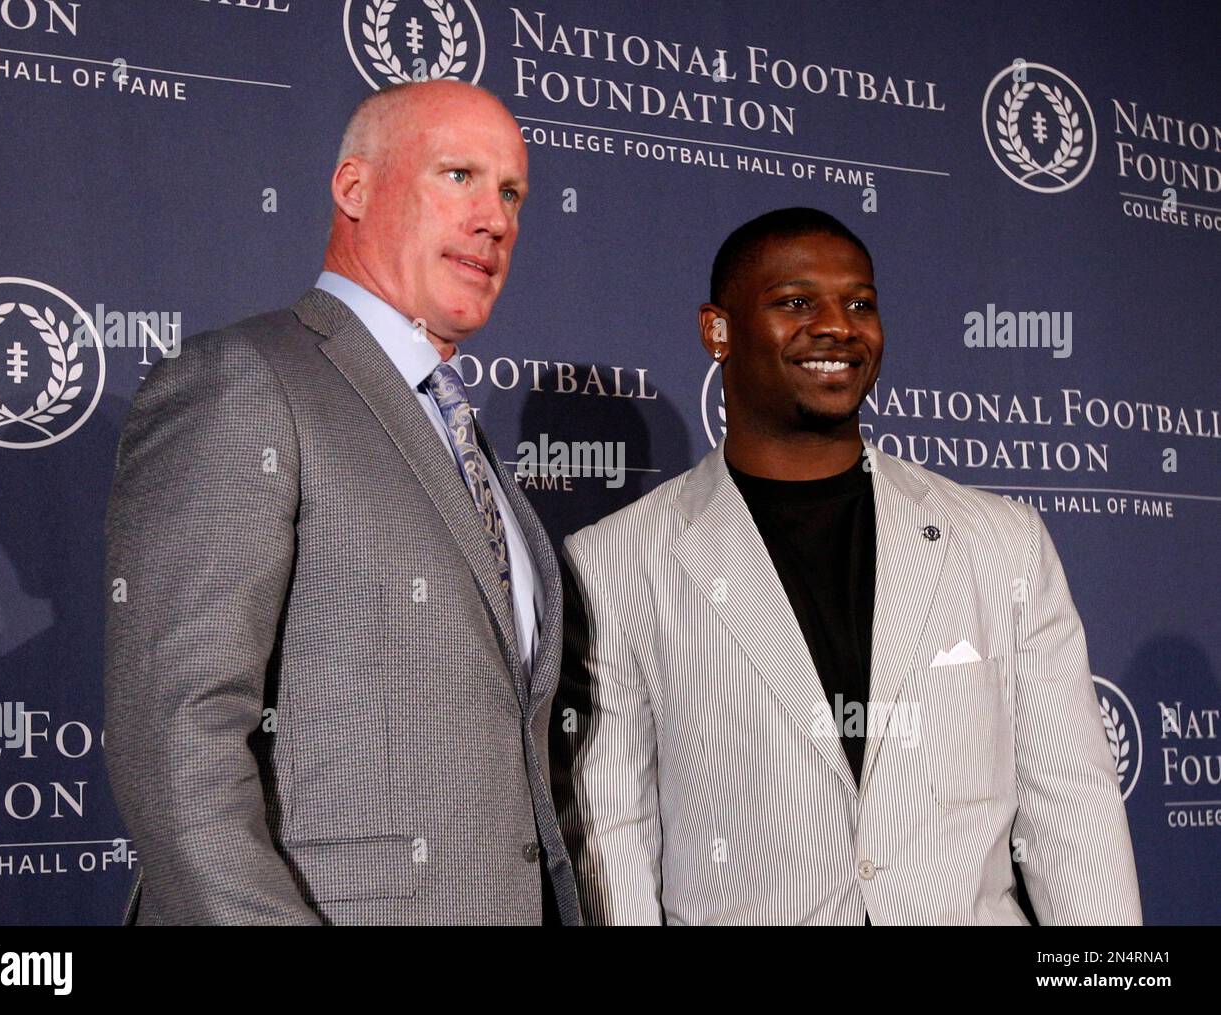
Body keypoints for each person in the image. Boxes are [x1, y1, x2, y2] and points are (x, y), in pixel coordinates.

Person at [552, 207, 1141, 925]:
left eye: (859, 302)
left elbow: (1071, 798)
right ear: (719, 330)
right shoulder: (614, 563)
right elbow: (613, 832)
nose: (837, 325)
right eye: (796, 302)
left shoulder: (1000, 540)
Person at [104, 80, 580, 925]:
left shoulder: (455, 429)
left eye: (511, 193)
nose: (496, 218)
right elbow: (178, 736)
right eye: (459, 175)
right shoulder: (248, 382)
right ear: (354, 188)